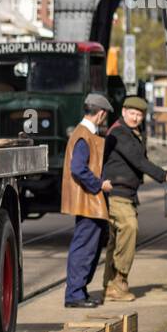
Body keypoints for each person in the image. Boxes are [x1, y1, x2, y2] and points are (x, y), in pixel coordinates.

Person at [101, 96, 167, 300]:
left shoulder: (133, 133)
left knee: (116, 238)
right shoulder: (120, 133)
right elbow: (139, 161)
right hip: (117, 191)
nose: (136, 118)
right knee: (129, 228)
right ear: (123, 112)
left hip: (127, 192)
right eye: (132, 113)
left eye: (139, 115)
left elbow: (141, 160)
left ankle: (110, 284)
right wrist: (165, 176)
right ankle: (119, 281)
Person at [63, 93, 115, 308]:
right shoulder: (84, 135)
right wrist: (99, 184)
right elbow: (78, 168)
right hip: (88, 200)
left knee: (88, 246)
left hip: (88, 199)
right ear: (101, 114)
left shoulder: (82, 133)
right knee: (84, 247)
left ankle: (79, 291)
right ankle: (74, 294)